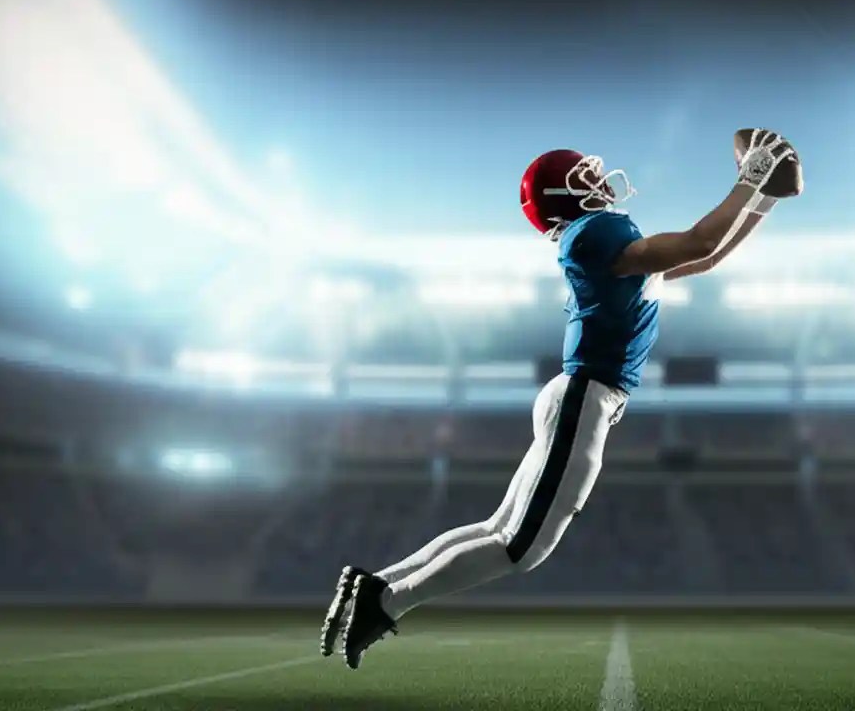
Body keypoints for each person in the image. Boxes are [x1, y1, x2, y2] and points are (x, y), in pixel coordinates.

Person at [322, 129, 800, 669]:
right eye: (583, 175)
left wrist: (763, 197)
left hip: (580, 395)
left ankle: (376, 585)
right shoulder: (594, 232)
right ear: (561, 197)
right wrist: (750, 178)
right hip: (585, 396)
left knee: (498, 530)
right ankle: (386, 602)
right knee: (522, 547)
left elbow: (706, 257)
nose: (598, 177)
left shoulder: (604, 240)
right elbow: (698, 243)